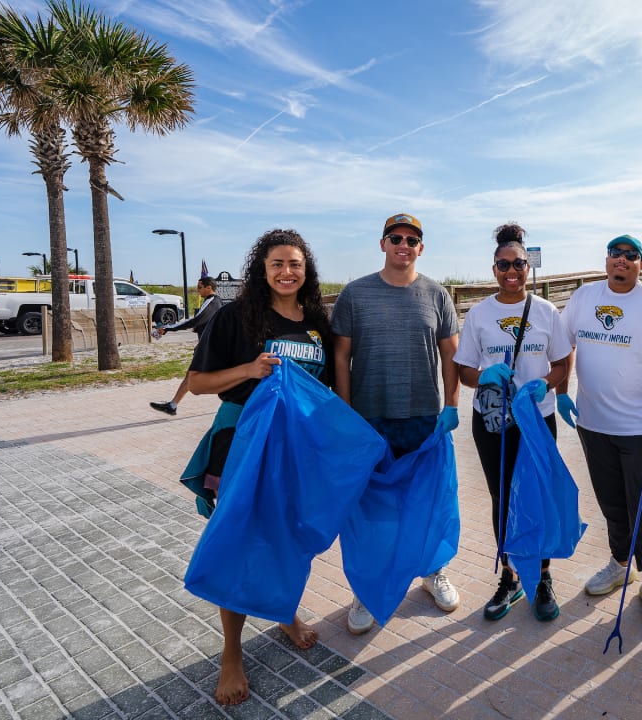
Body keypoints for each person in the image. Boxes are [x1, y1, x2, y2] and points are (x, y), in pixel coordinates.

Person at [184, 229, 332, 705]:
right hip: (244, 447)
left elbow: (325, 389)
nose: (287, 272)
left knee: (289, 535)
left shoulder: (316, 322)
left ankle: (284, 611)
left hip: (294, 450)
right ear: (261, 269)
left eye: (295, 264)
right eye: (277, 264)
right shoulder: (236, 318)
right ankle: (231, 653)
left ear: (306, 271)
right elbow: (198, 382)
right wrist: (249, 370)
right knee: (239, 543)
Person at [330, 212, 462, 634]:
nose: (403, 245)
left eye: (412, 239)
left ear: (420, 248)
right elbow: (340, 357)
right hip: (370, 419)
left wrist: (451, 406)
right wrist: (348, 415)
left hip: (423, 418)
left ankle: (432, 572)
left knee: (428, 502)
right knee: (371, 511)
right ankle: (367, 590)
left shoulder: (436, 294)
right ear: (383, 243)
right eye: (396, 237)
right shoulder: (355, 294)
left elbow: (450, 356)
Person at [560, 234, 642, 630]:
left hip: (641, 428)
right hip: (593, 424)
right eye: (615, 254)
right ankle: (621, 564)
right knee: (611, 502)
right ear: (606, 261)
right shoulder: (584, 297)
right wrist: (561, 390)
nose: (622, 260)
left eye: (630, 256)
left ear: (641, 264)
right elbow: (562, 344)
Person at [453, 223, 573, 622]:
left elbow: (561, 361)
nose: (511, 270)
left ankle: (541, 578)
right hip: (494, 424)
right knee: (503, 499)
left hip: (537, 419)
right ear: (493, 268)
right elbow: (465, 369)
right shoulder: (480, 314)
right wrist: (482, 377)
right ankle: (509, 577)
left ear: (527, 266)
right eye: (503, 264)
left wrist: (550, 384)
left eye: (519, 263)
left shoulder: (545, 311)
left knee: (537, 497)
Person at [151, 276, 222, 416]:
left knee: (195, 376)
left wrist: (168, 328)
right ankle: (173, 405)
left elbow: (194, 321)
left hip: (209, 348)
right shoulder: (214, 302)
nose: (197, 290)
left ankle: (173, 405)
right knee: (192, 375)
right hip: (208, 347)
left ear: (209, 288)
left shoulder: (211, 301)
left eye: (200, 287)